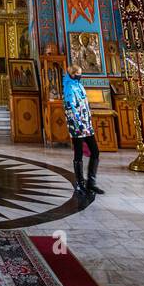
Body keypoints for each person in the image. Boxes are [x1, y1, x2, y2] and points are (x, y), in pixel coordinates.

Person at [62, 63, 104, 199]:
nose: (81, 75)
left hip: (86, 124)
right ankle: (80, 184)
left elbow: (85, 103)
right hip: (77, 125)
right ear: (73, 74)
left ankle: (91, 182)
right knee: (78, 152)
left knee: (95, 151)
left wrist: (88, 119)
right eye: (79, 73)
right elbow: (70, 107)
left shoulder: (79, 85)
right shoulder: (69, 87)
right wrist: (78, 123)